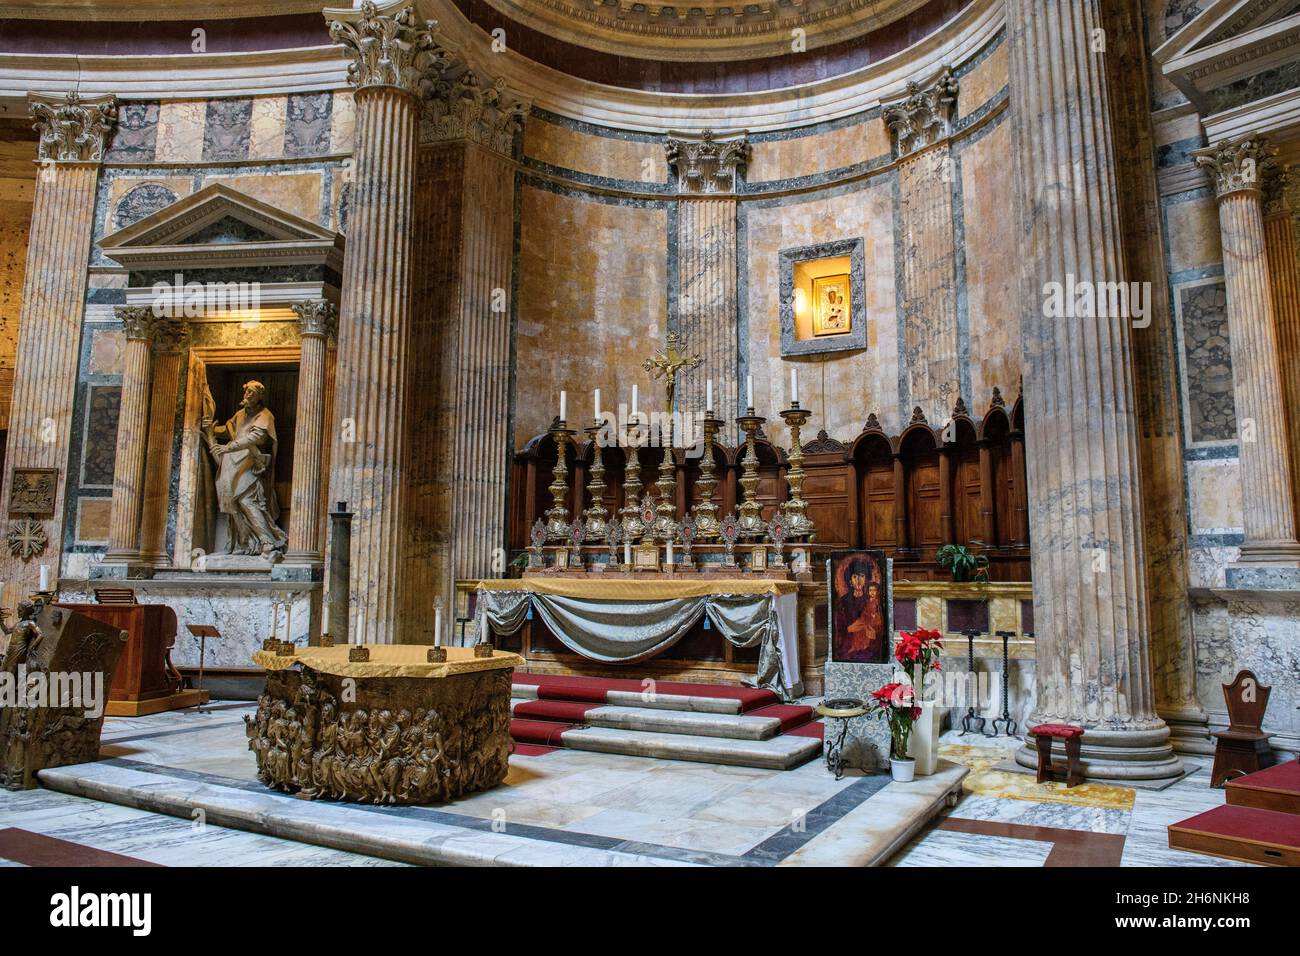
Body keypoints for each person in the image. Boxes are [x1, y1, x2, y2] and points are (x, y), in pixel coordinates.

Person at [202, 380, 288, 559]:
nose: (248, 395)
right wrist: (211, 428)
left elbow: (255, 436)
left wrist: (228, 447)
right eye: (246, 392)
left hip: (251, 462)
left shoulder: (265, 415)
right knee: (233, 503)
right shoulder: (241, 414)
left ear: (259, 396)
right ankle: (246, 542)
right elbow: (229, 429)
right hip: (233, 464)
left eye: (252, 393)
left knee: (248, 501)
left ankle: (268, 541)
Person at [834, 558, 885, 662]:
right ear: (850, 581)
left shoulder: (870, 600)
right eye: (854, 576)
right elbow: (839, 625)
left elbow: (877, 622)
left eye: (862, 576)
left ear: (866, 579)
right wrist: (850, 629)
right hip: (848, 645)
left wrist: (871, 627)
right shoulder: (843, 600)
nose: (858, 580)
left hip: (868, 645)